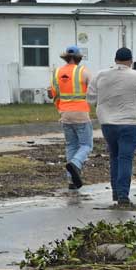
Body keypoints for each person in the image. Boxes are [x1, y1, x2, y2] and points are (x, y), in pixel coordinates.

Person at [86, 47, 136, 208]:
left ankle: (116, 192)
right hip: (129, 124)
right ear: (131, 61)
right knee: (125, 158)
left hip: (107, 124)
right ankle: (123, 194)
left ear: (115, 60)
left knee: (114, 157)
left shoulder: (101, 75)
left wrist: (102, 103)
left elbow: (90, 97)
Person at [47, 45, 93, 190]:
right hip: (81, 114)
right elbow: (93, 91)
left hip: (65, 114)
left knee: (71, 146)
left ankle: (71, 180)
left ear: (65, 57)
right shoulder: (83, 71)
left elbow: (52, 94)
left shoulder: (57, 72)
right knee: (86, 145)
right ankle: (76, 163)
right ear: (79, 58)